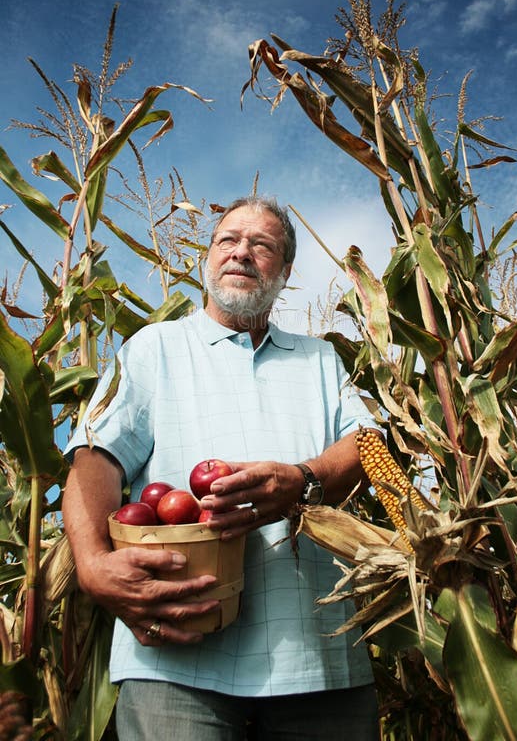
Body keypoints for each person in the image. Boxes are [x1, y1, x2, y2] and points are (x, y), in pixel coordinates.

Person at [62, 196, 381, 741]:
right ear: (208, 258)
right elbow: (95, 459)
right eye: (227, 241)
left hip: (317, 656)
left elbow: (372, 443)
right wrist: (92, 566)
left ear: (283, 271)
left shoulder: (321, 359)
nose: (241, 253)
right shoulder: (152, 349)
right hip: (176, 657)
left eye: (262, 246)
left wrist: (304, 480)